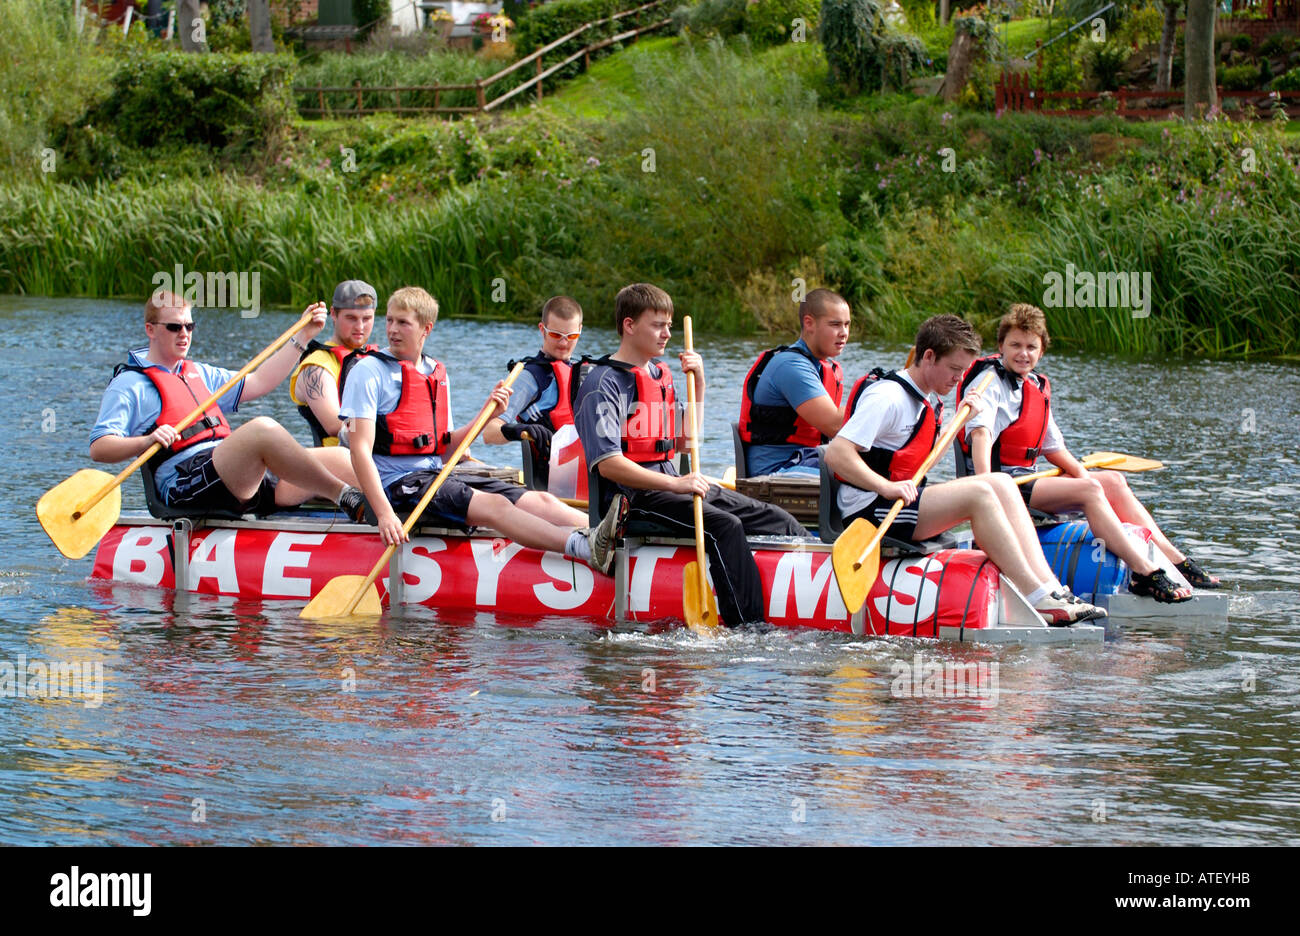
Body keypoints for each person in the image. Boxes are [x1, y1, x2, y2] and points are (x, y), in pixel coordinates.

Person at [824, 314, 1107, 626]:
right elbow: (837, 455)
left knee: (999, 481)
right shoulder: (887, 397)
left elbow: (924, 458)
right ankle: (1035, 596)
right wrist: (886, 487)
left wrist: (960, 416)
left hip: (900, 499)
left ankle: (1051, 589)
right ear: (928, 356)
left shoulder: (925, 398)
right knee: (980, 493)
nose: (960, 379)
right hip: (870, 510)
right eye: (955, 369)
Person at [338, 286, 625, 574]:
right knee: (496, 506)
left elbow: (448, 448)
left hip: (436, 473)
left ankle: (608, 533)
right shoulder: (368, 371)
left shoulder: (436, 371)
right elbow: (360, 450)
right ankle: (585, 547)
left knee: (538, 499)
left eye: (403, 322)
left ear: (426, 328)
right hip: (397, 484)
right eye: (389, 320)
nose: (392, 330)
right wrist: (385, 513)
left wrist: (487, 412)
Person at [572, 282, 811, 628]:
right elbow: (609, 465)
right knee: (725, 527)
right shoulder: (602, 384)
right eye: (657, 325)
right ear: (629, 325)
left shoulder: (659, 374)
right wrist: (678, 483)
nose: (667, 333)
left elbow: (686, 442)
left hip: (672, 484)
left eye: (669, 325)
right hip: (632, 498)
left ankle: (809, 588)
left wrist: (699, 382)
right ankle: (750, 628)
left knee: (778, 518)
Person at [961, 303, 1220, 600]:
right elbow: (980, 435)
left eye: (1031, 346)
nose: (1023, 353)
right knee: (1090, 492)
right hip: (1005, 485)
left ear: (1042, 350)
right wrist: (987, 486)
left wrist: (1088, 478)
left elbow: (1054, 449)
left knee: (1112, 482)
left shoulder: (1034, 385)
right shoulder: (990, 382)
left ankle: (1175, 561)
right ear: (1001, 346)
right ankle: (1143, 572)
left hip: (1028, 480)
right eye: (1015, 345)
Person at [90, 291, 364, 517]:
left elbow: (259, 381)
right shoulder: (129, 385)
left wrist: (302, 337)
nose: (184, 334)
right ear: (150, 330)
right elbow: (99, 448)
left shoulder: (199, 373)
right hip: (185, 487)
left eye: (189, 326)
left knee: (341, 458)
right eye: (174, 327)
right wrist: (146, 441)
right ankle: (342, 494)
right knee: (262, 429)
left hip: (234, 477)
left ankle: (391, 515)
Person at [738, 288, 849, 478]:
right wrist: (875, 402)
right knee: (863, 473)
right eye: (835, 324)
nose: (844, 333)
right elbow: (833, 425)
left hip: (806, 459)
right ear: (809, 323)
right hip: (777, 470)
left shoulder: (819, 366)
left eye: (847, 324)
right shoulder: (791, 366)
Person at [482, 296, 586, 488]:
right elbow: (489, 433)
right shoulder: (528, 377)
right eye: (556, 335)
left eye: (571, 336)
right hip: (546, 485)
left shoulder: (585, 373)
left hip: (585, 479)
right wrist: (520, 430)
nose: (564, 343)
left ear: (580, 330)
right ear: (542, 329)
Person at [288, 280, 379, 447]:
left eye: (367, 318)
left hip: (385, 461)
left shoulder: (378, 359)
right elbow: (335, 425)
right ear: (334, 314)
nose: (360, 327)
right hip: (338, 461)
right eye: (351, 318)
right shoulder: (316, 367)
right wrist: (389, 430)